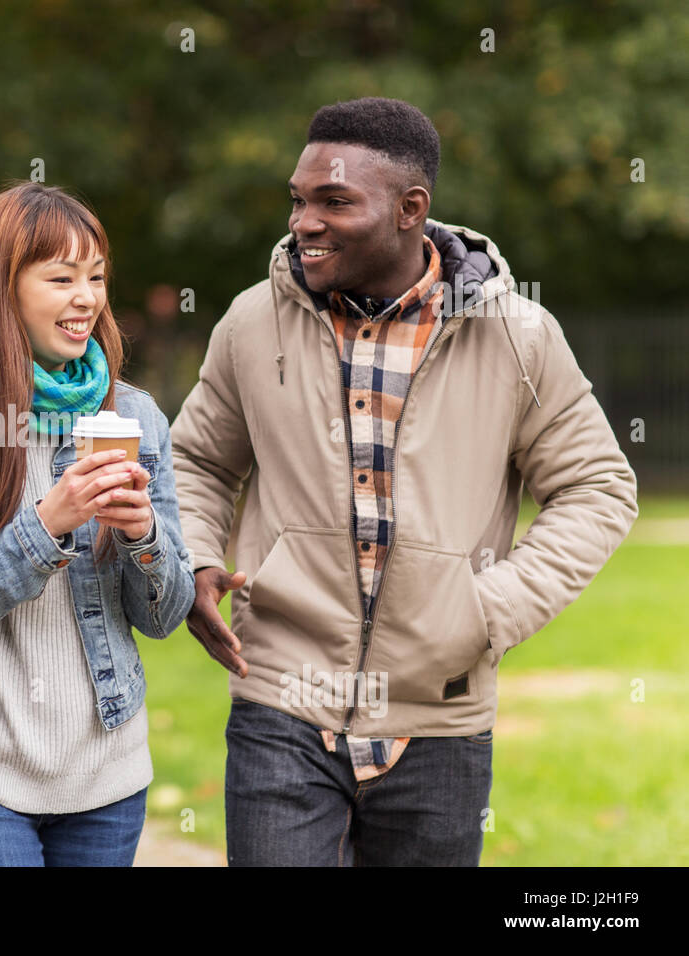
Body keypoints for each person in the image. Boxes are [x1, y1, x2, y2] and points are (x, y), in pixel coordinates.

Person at [171, 97, 638, 866]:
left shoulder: (520, 337)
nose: (303, 221)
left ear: (409, 209)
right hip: (282, 702)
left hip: (441, 720)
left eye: (334, 201)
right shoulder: (252, 323)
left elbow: (597, 487)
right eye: (298, 199)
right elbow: (198, 462)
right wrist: (193, 557)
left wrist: (485, 613)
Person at [0, 182, 195, 867]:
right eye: (60, 278)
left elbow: (166, 617)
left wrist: (146, 538)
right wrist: (48, 524)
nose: (86, 297)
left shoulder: (135, 419)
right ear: (1, 288)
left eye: (96, 277)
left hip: (105, 776)